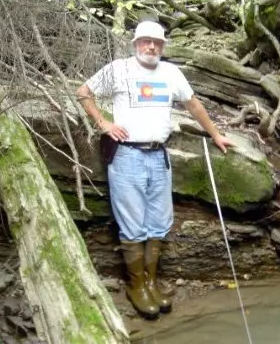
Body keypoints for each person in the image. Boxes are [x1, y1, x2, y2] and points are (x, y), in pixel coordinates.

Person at [76, 21, 234, 319]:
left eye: (157, 43)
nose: (151, 47)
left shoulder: (171, 73)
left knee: (159, 223)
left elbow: (194, 105)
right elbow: (83, 92)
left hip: (158, 156)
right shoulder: (119, 68)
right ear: (136, 43)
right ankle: (137, 286)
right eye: (146, 41)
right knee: (133, 224)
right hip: (127, 157)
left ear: (162, 46)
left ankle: (150, 281)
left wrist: (215, 134)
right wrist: (103, 122)